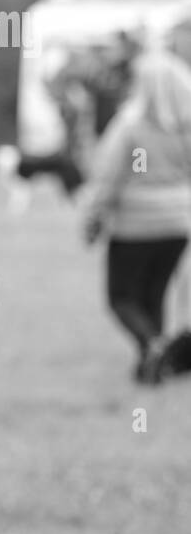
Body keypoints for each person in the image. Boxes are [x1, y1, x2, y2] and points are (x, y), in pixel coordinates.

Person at [80, 46, 191, 384]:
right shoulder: (185, 126)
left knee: (122, 298)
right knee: (154, 295)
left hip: (135, 224)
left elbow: (108, 176)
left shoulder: (130, 125)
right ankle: (151, 368)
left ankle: (154, 345)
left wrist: (94, 215)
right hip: (178, 224)